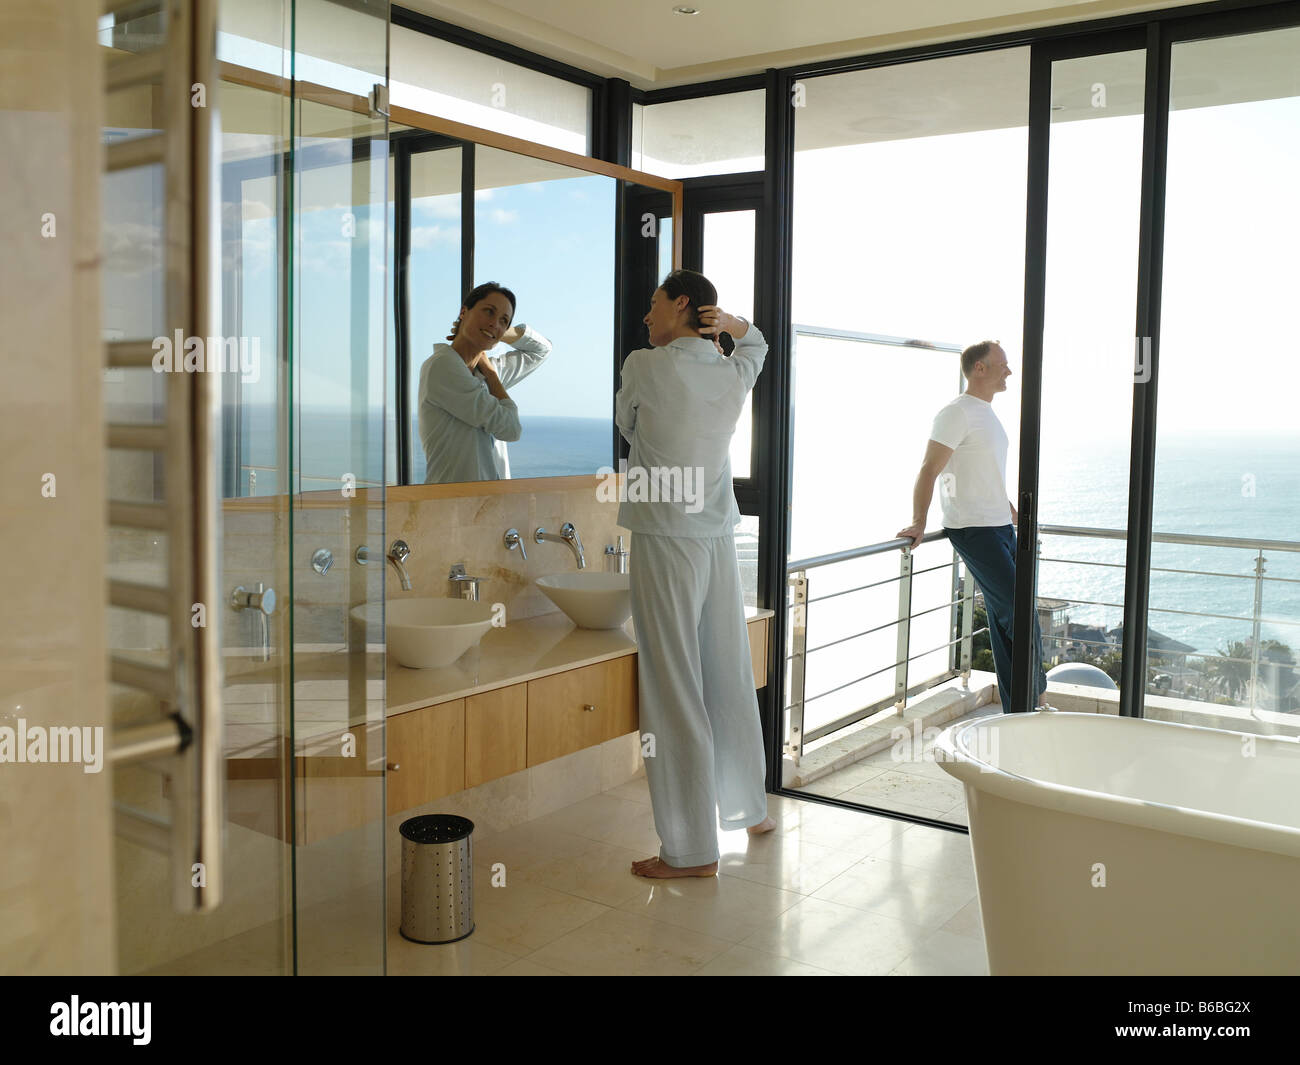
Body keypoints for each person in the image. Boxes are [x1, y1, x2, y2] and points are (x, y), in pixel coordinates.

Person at [615, 269, 776, 880]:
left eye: (655, 304)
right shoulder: (732, 370)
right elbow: (756, 343)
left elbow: (629, 426)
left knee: (672, 682)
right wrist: (729, 325)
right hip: (715, 533)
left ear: (682, 305)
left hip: (664, 533)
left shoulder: (644, 365)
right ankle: (749, 808)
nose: (647, 316)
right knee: (726, 669)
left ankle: (689, 850)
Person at [896, 339, 1047, 714]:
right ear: (979, 368)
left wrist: (1009, 508)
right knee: (1020, 613)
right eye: (1003, 364)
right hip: (974, 530)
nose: (1009, 371)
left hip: (999, 526)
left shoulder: (987, 414)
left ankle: (1020, 709)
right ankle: (1034, 703)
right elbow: (930, 469)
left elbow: (983, 472)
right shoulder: (956, 413)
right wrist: (919, 520)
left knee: (1006, 618)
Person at [417, 282, 551, 483]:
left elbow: (541, 349)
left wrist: (497, 332)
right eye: (488, 312)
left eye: (503, 320)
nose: (495, 322)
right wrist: (491, 374)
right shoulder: (443, 366)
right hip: (451, 504)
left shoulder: (487, 373)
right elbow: (511, 428)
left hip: (488, 504)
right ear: (464, 312)